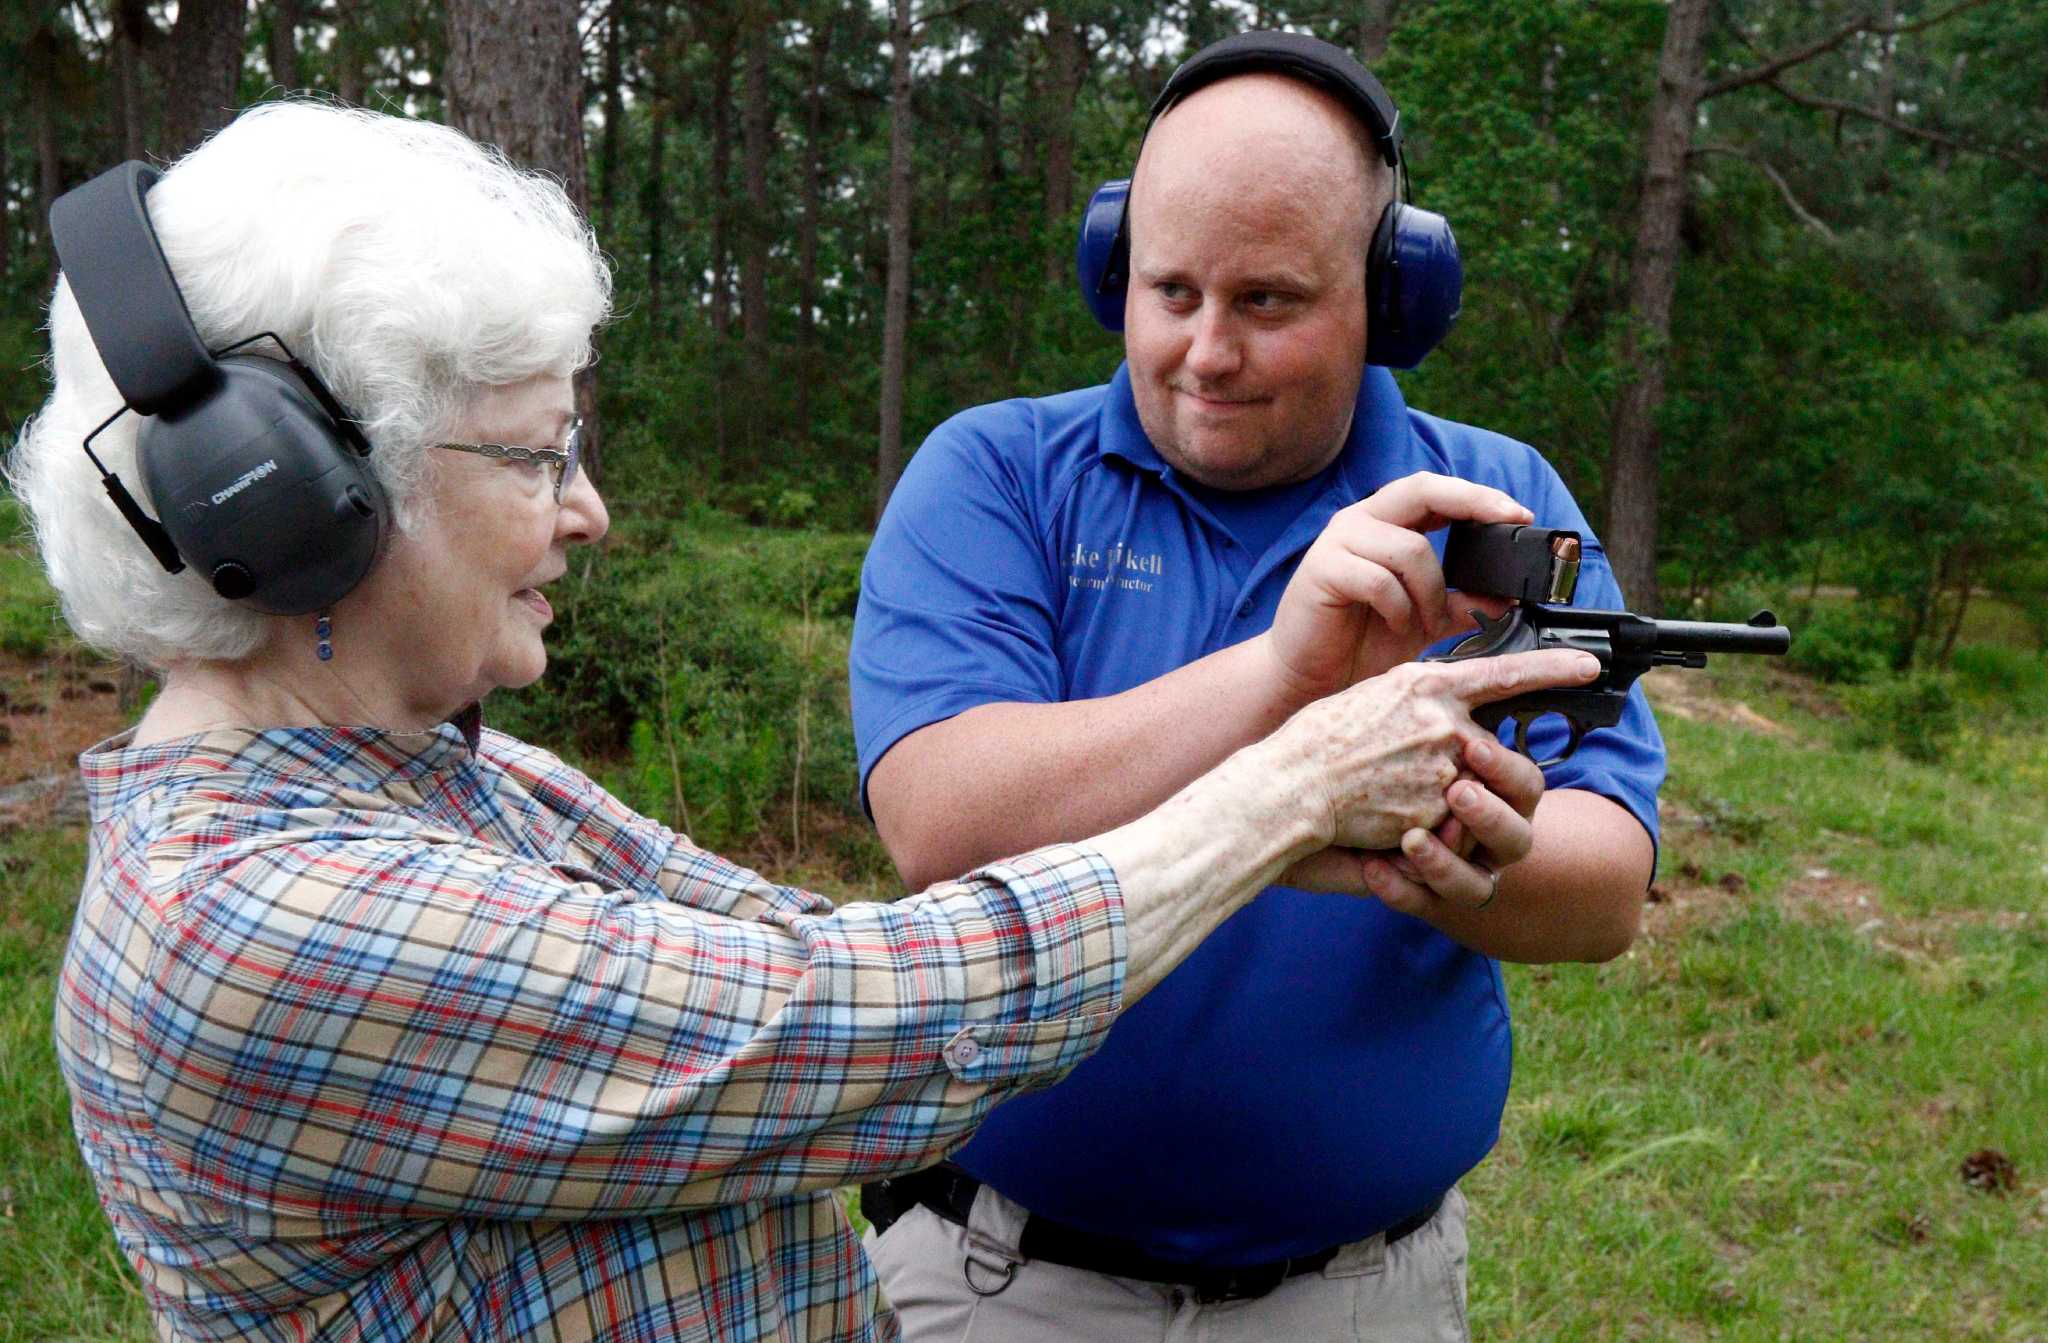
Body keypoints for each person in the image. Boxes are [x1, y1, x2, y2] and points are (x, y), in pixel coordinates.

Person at [11, 101, 1603, 1342]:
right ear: (306, 506)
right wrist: (1289, 781)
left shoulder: (452, 784)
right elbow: (857, 1019)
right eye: (537, 455)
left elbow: (785, 942)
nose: (590, 512)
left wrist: (1310, 834)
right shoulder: (263, 926)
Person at [850, 32, 1666, 1342]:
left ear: (1386, 299)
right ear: (1114, 272)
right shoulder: (996, 475)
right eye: (1170, 291)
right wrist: (1288, 684)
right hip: (998, 1282)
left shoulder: (1492, 514)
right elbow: (945, 822)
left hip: (1361, 1296)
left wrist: (1466, 849)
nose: (1206, 352)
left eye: (1268, 302)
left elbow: (1607, 888)